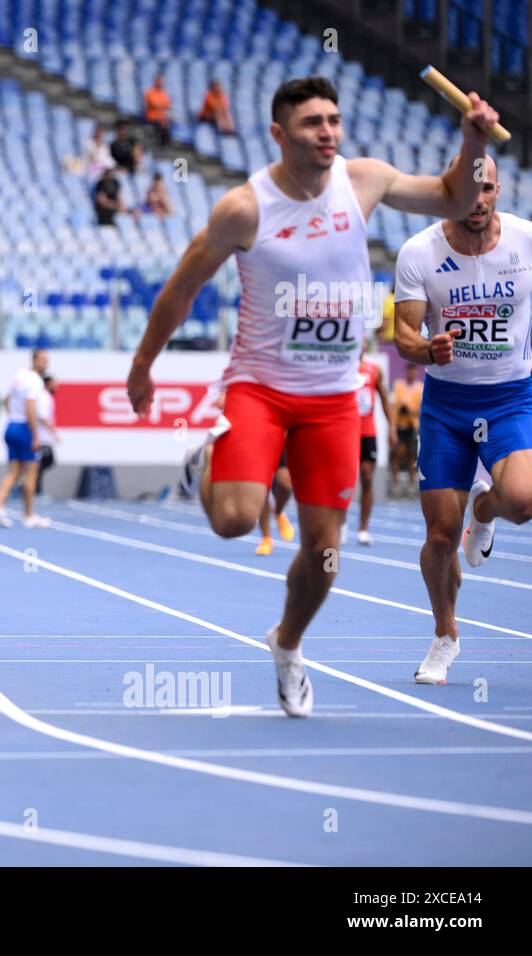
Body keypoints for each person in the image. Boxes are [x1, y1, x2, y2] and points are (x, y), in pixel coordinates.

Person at [124, 75, 499, 717]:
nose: (327, 132)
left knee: (324, 557)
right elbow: (181, 289)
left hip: (331, 399)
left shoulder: (365, 180)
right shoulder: (245, 208)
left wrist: (469, 142)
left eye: (333, 119)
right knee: (236, 519)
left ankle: (287, 645)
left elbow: (452, 195)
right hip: (261, 389)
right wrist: (142, 365)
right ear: (279, 134)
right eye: (312, 123)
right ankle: (206, 461)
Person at [391, 152, 532, 684]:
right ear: (452, 190)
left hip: (511, 398)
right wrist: (429, 349)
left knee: (522, 501)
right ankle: (444, 635)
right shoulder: (418, 253)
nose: (480, 200)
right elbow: (403, 337)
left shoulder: (526, 241)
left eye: (490, 189)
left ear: (500, 190)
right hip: (447, 406)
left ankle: (486, 509)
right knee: (441, 538)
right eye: (471, 190)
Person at [0, 349, 51, 528]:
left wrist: (12, 417)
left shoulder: (19, 375)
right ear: (34, 360)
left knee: (14, 472)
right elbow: (30, 407)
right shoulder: (36, 381)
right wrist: (36, 435)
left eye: (47, 360)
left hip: (12, 425)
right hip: (25, 428)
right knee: (31, 473)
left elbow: (6, 400)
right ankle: (29, 515)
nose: (45, 363)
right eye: (42, 360)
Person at [351, 346, 390, 544]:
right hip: (346, 431)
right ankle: (339, 524)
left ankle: (363, 528)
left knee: (366, 476)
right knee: (343, 480)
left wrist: (391, 428)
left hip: (367, 432)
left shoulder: (374, 370)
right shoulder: (342, 368)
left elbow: (384, 398)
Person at [390, 362, 424, 495]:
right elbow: (392, 404)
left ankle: (411, 484)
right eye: (410, 371)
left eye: (414, 371)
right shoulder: (398, 385)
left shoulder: (420, 388)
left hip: (413, 425)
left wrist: (410, 410)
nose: (412, 373)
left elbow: (422, 410)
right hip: (399, 425)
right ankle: (395, 484)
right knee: (396, 454)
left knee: (412, 456)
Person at [36, 374, 59, 497]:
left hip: (44, 436)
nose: (56, 386)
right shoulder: (44, 397)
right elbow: (42, 416)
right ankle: (34, 489)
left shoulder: (46, 397)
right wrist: (53, 432)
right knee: (42, 463)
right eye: (53, 383)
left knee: (42, 463)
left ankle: (34, 488)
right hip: (42, 437)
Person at [144, 74, 172, 146]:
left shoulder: (164, 93)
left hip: (162, 119)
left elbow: (168, 105)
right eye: (159, 81)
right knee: (164, 123)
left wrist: (160, 105)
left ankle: (165, 144)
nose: (161, 83)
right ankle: (162, 144)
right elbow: (153, 104)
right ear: (155, 81)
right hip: (152, 118)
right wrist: (162, 105)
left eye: (162, 81)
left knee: (168, 121)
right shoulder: (149, 92)